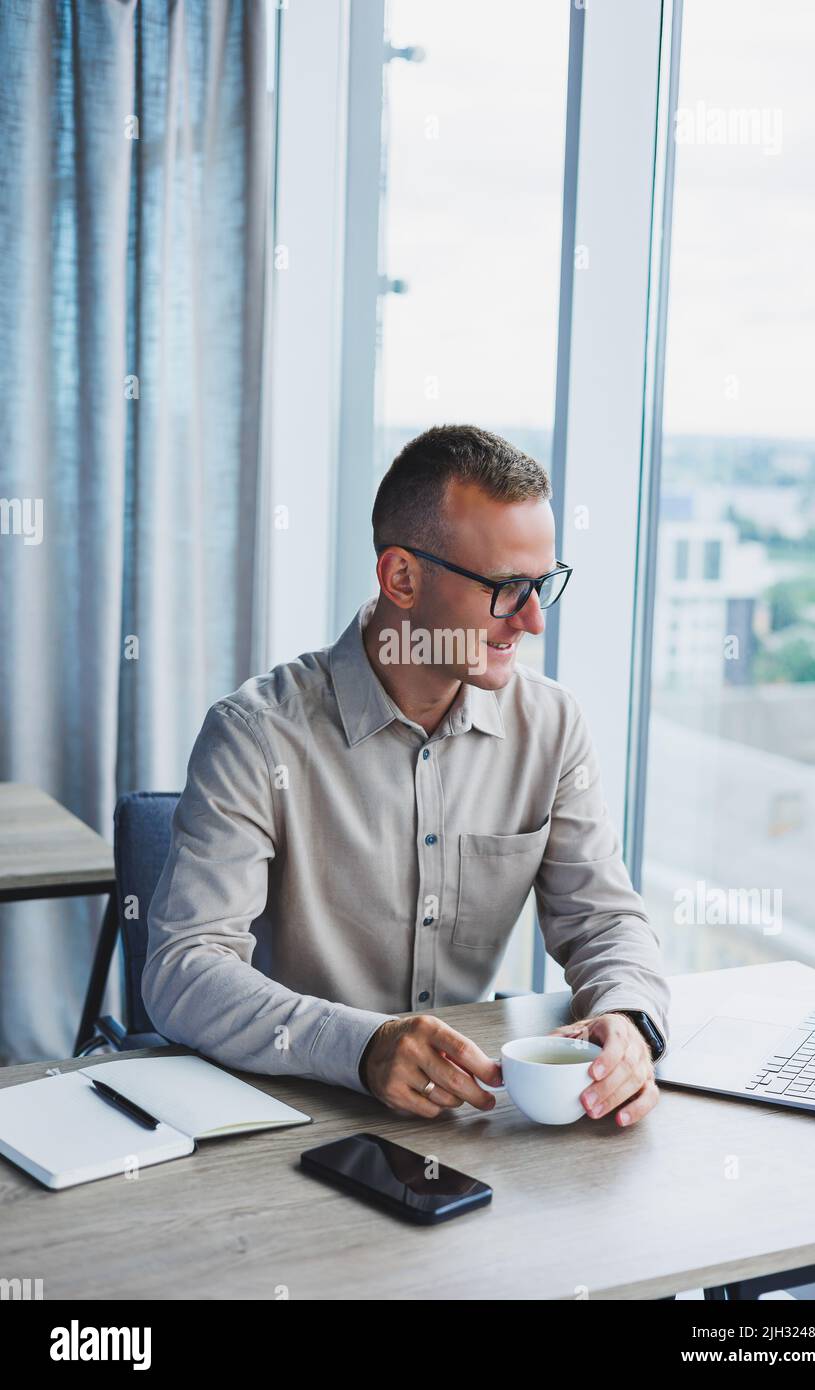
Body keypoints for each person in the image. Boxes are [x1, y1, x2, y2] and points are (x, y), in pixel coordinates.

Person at [143, 424, 670, 1129]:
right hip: (291, 1115)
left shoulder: (552, 726)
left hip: (467, 1116)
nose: (534, 622)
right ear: (401, 577)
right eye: (508, 588)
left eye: (542, 585)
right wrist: (363, 1046)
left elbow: (604, 919)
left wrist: (630, 1019)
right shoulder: (256, 734)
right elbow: (184, 971)